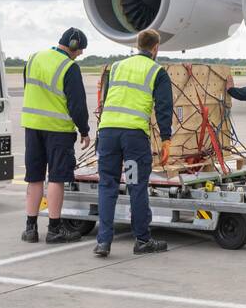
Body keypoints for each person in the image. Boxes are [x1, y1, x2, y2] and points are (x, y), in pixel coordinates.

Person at [93, 27, 173, 257]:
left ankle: (103, 242)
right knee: (136, 185)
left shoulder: (116, 67)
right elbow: (164, 107)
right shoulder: (156, 71)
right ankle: (142, 240)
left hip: (108, 133)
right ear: (155, 48)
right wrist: (166, 139)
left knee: (107, 186)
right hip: (133, 138)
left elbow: (106, 99)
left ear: (137, 45)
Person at [20, 28, 91, 244]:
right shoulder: (69, 67)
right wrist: (84, 130)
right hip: (57, 129)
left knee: (34, 178)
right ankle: (54, 228)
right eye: (79, 51)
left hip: (32, 126)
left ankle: (30, 229)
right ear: (73, 46)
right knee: (57, 178)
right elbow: (77, 104)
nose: (78, 55)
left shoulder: (33, 59)